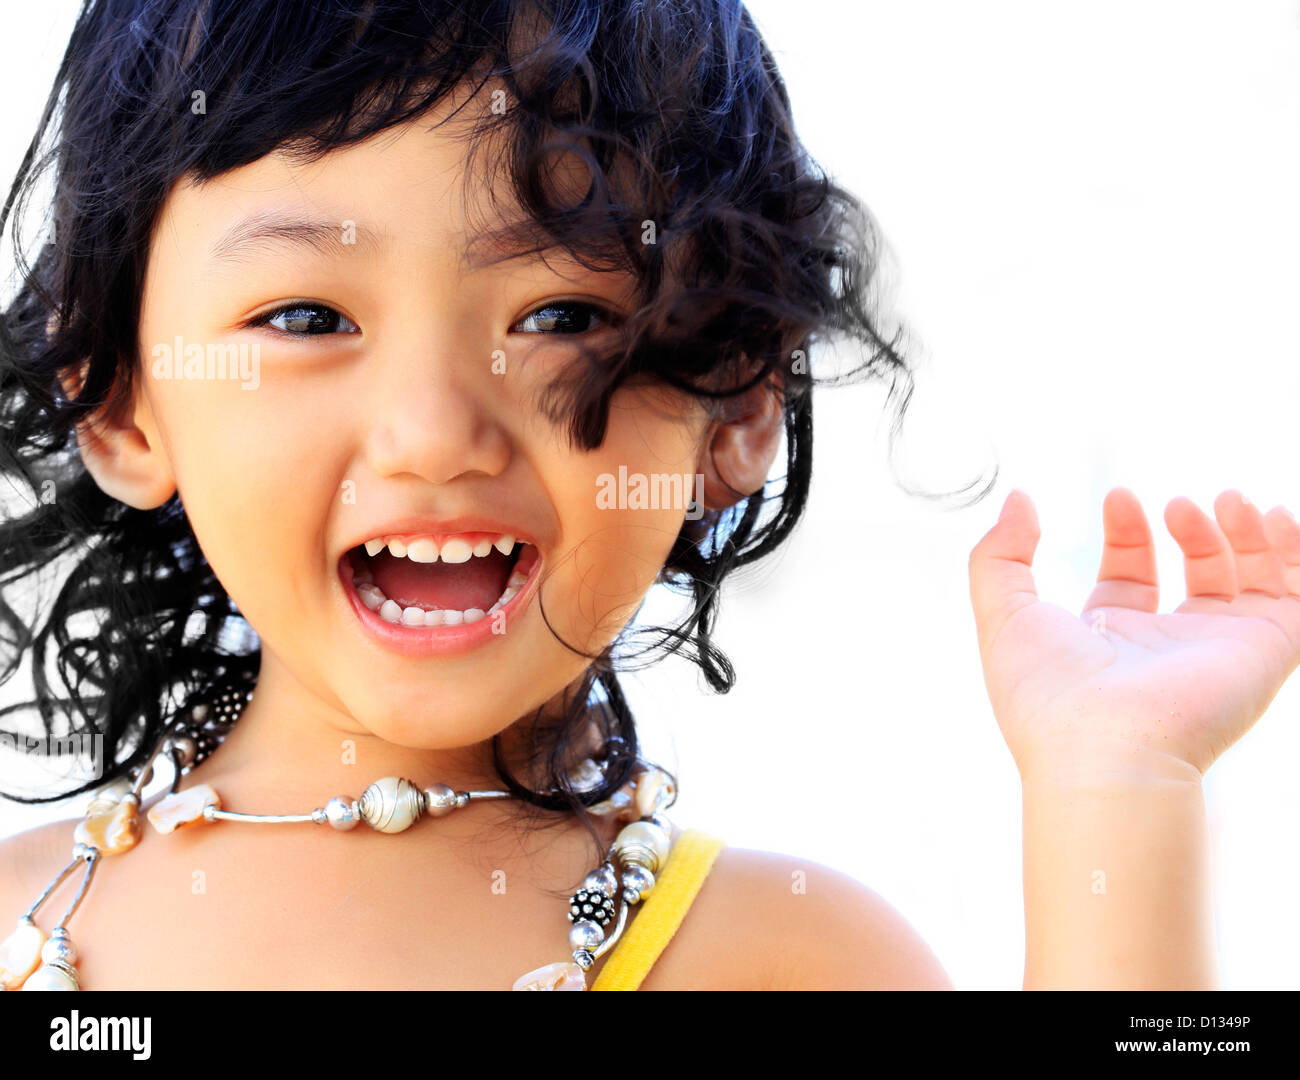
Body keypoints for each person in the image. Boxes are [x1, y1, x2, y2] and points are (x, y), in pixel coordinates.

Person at [1, 0, 1297, 991]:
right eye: (304, 315)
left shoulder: (786, 961)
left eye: (560, 311)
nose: (435, 433)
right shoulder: (22, 926)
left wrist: (1115, 791)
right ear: (120, 401)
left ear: (734, 406)